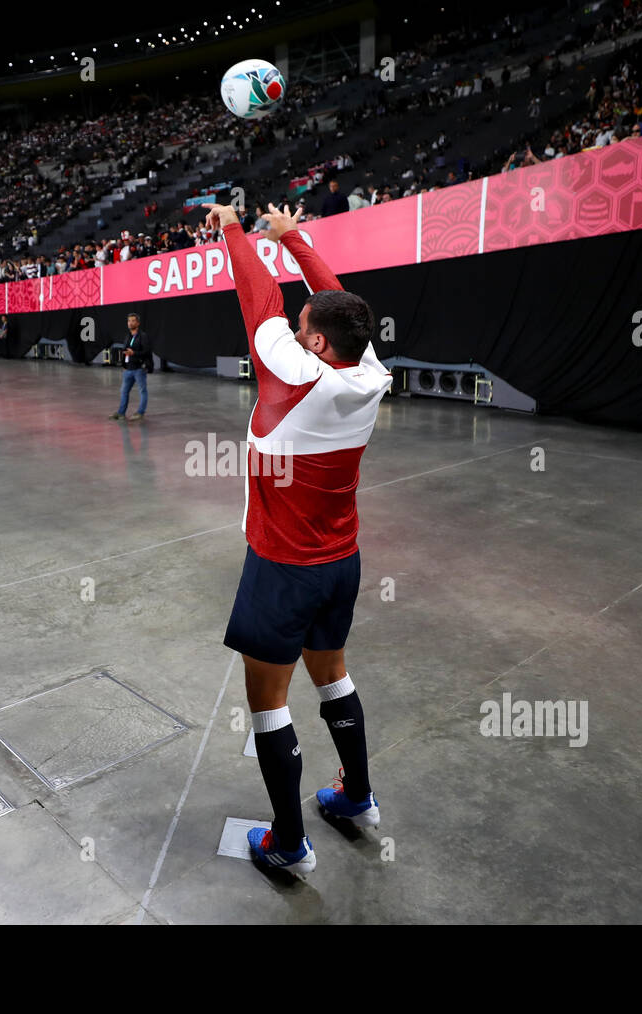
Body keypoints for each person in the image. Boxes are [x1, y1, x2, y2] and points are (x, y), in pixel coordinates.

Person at [204, 200, 392, 875]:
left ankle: (288, 843)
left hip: (283, 568)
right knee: (332, 677)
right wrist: (292, 238)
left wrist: (232, 225)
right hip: (341, 561)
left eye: (301, 325)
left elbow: (259, 299)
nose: (293, 321)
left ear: (313, 344)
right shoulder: (368, 373)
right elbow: (340, 308)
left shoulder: (295, 375)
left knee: (267, 702)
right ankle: (358, 796)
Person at [109, 312, 151, 421]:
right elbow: (126, 351)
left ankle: (140, 412)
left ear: (138, 323)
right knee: (124, 391)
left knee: (142, 391)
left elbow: (146, 351)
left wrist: (134, 353)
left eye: (133, 321)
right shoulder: (128, 336)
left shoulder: (143, 336)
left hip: (139, 369)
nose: (130, 323)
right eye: (129, 321)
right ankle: (121, 413)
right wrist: (124, 365)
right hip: (128, 369)